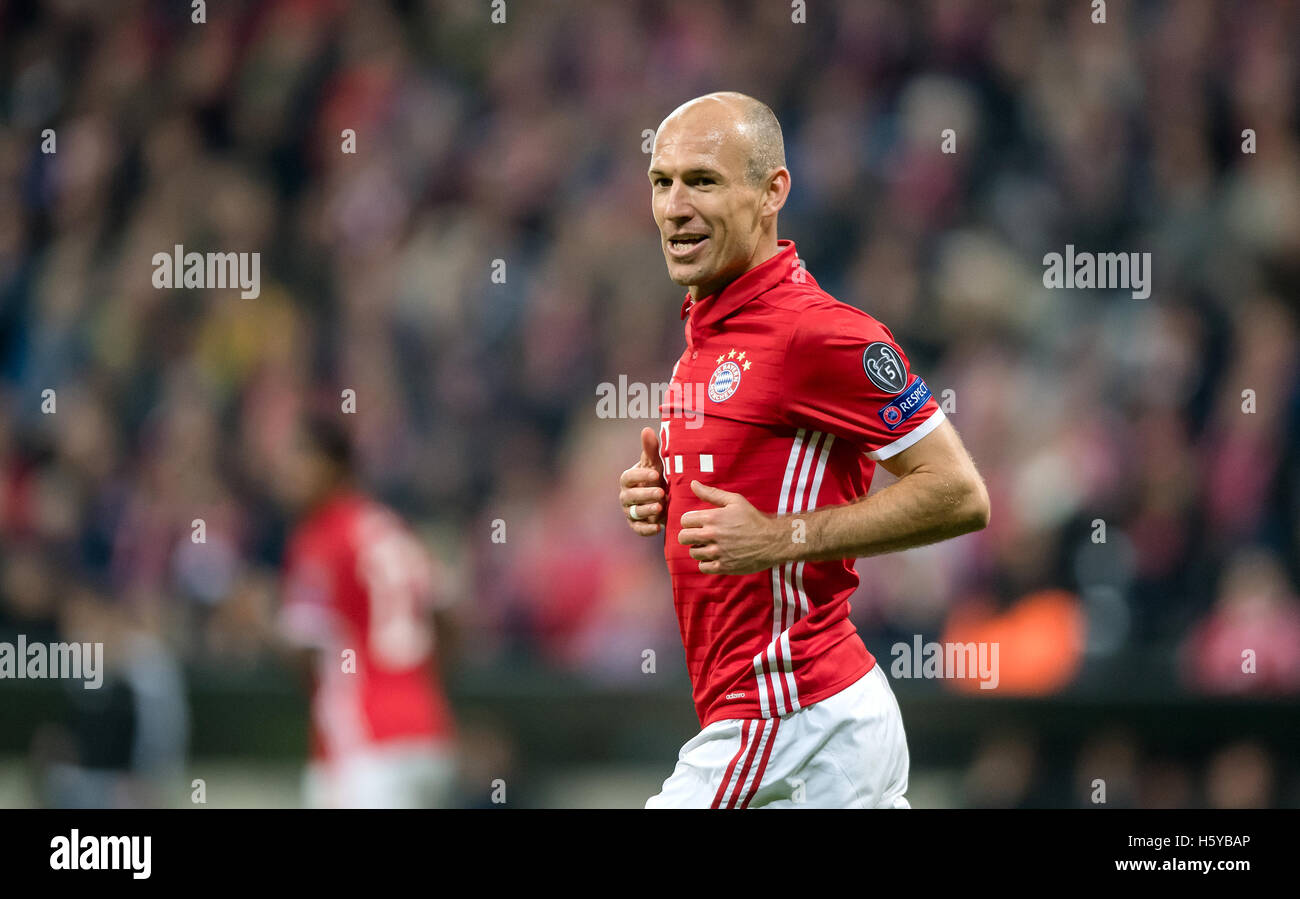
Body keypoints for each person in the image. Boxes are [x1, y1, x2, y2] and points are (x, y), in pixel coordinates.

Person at [621, 92, 990, 808]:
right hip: (820, 717)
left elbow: (958, 492)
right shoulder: (708, 330)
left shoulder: (817, 334)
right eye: (662, 182)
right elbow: (765, 481)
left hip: (790, 714)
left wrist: (776, 537)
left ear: (772, 191)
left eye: (703, 180)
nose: (674, 206)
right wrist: (665, 493)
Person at [274, 415, 457, 808]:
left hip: (364, 745)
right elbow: (448, 615)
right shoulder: (391, 526)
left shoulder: (319, 538)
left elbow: (303, 649)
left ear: (333, 465)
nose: (288, 473)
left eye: (300, 457)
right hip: (428, 734)